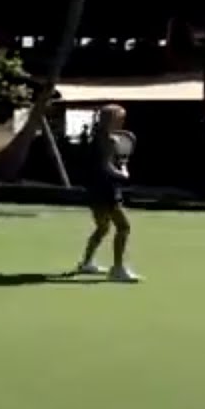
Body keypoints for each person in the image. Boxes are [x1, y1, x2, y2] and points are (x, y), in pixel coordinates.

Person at [74, 104, 138, 282]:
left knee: (103, 228)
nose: (122, 122)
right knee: (124, 227)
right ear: (113, 120)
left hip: (93, 190)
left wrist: (120, 167)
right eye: (120, 118)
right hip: (107, 190)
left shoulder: (96, 138)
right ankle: (118, 269)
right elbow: (106, 167)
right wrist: (123, 173)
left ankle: (86, 263)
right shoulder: (110, 140)